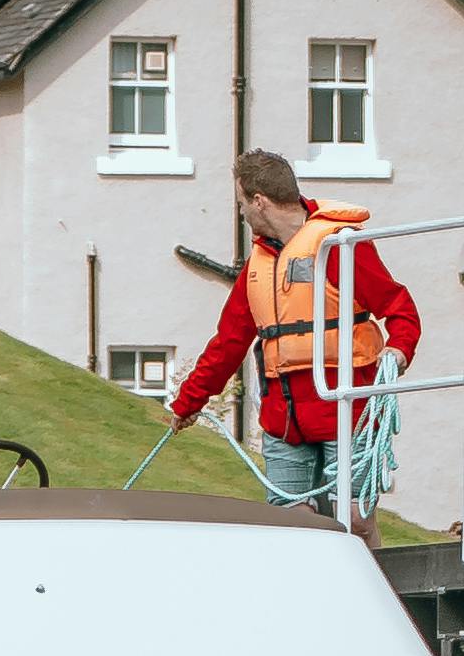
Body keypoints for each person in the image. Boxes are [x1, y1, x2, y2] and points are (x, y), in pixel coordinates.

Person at [165, 150, 422, 519]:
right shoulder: (257, 269)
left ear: (259, 202)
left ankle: (370, 574)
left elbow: (400, 308)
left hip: (348, 413)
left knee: (354, 521)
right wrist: (188, 403)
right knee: (291, 525)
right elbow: (227, 344)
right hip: (285, 424)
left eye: (241, 204)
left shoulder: (339, 247)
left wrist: (398, 351)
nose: (241, 214)